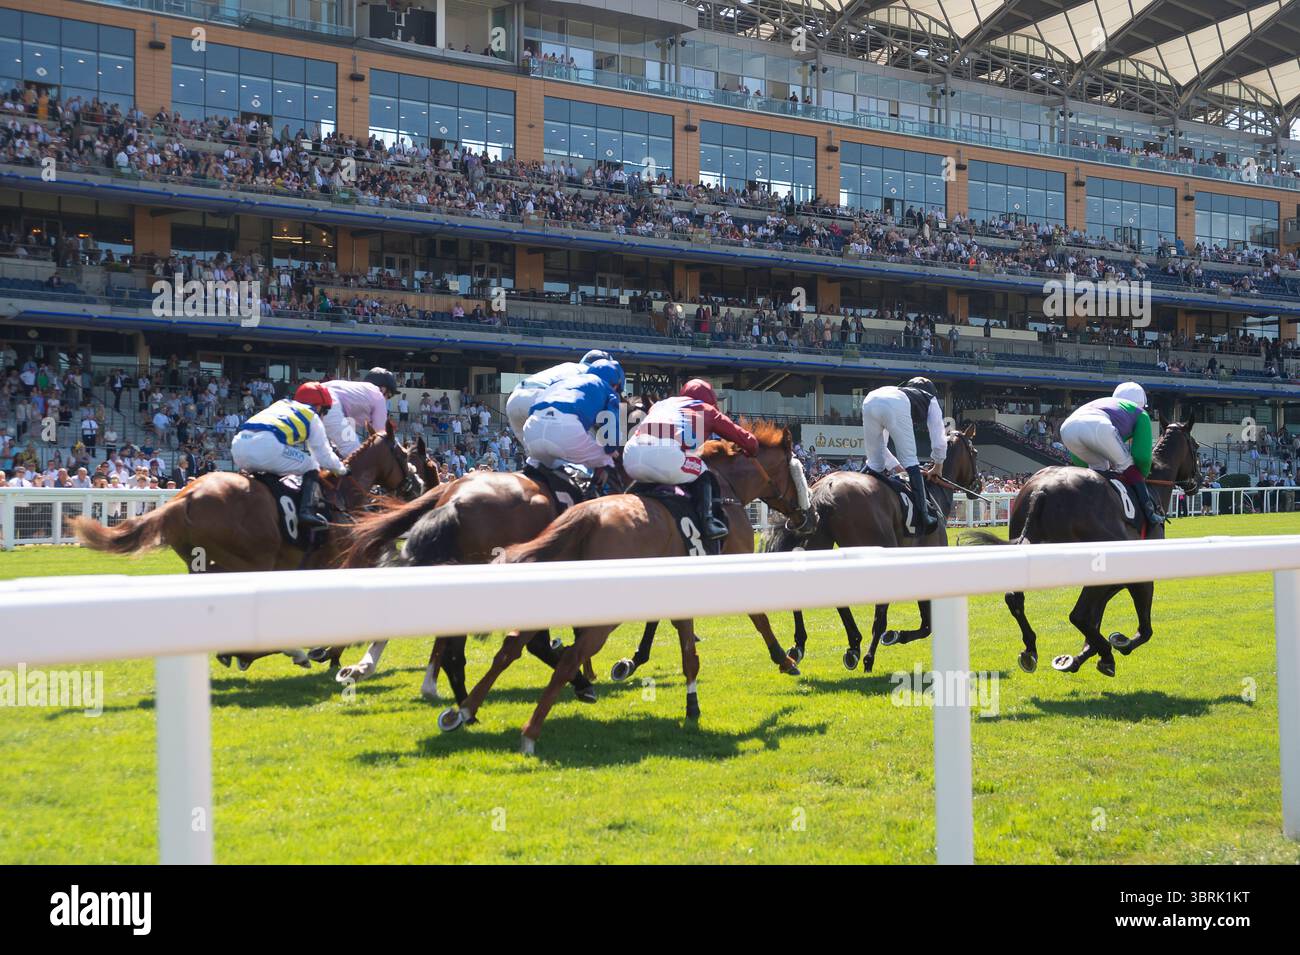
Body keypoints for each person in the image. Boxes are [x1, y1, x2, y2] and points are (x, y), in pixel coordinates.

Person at [624, 378, 757, 541]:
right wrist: (753, 448)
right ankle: (708, 522)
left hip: (630, 454)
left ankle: (625, 494)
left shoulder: (662, 404)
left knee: (649, 472)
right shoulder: (707, 409)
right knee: (703, 470)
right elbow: (743, 437)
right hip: (664, 455)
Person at [230, 382, 347, 530]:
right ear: (318, 406)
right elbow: (323, 456)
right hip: (265, 447)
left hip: (238, 446)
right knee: (311, 465)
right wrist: (342, 469)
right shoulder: (312, 416)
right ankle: (306, 511)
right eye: (326, 411)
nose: (324, 415)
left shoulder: (281, 404)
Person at [1059, 381, 1162, 526]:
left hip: (1066, 429)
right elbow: (1142, 457)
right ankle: (1150, 513)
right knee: (1127, 465)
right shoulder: (1140, 413)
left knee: (1100, 468)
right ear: (1142, 403)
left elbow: (1077, 459)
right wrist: (1139, 476)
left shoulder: (1105, 403)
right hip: (1098, 426)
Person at [860, 376, 947, 537]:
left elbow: (882, 449)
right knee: (910, 460)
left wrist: (897, 467)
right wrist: (938, 465)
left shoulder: (899, 393)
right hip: (892, 403)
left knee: (874, 463)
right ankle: (924, 515)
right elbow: (939, 439)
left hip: (869, 400)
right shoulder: (931, 399)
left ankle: (856, 500)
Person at [520, 359, 624, 473]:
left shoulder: (564, 380)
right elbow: (611, 429)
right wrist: (611, 450)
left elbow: (533, 409)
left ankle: (535, 466)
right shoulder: (609, 391)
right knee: (607, 459)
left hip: (532, 430)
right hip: (566, 432)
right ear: (615, 385)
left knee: (542, 461)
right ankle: (587, 485)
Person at [506, 349, 612, 438]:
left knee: (536, 457)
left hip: (515, 398)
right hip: (541, 397)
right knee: (588, 442)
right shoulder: (594, 373)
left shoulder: (568, 366)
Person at [321, 368, 394, 457]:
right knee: (357, 455)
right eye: (389, 396)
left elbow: (346, 425)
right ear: (382, 389)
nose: (387, 400)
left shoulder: (357, 391)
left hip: (312, 397)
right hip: (329, 403)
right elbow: (381, 435)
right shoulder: (378, 396)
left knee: (323, 456)